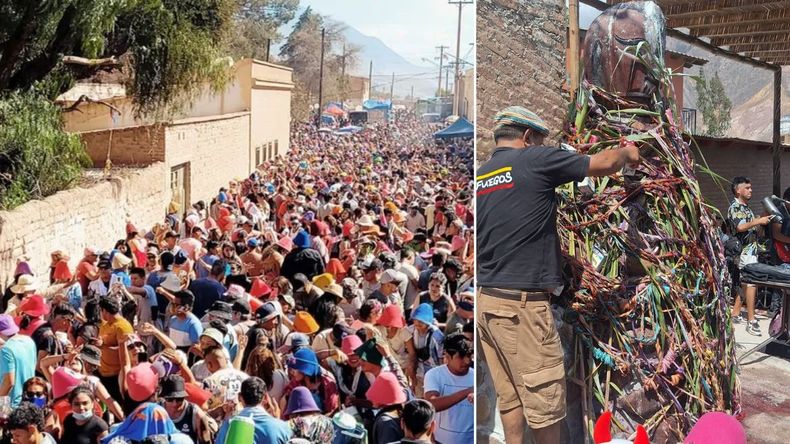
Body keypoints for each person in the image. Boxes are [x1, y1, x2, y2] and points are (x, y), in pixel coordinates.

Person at [476, 106, 640, 444]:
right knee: (546, 405)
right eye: (539, 140)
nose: (540, 146)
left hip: (488, 302)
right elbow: (604, 163)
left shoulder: (483, 174)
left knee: (510, 396)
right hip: (522, 309)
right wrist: (628, 153)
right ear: (527, 137)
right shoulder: (533, 159)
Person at [728, 176, 772, 336]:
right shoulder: (735, 207)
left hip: (751, 250)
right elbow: (740, 227)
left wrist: (762, 218)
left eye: (750, 187)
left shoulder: (746, 208)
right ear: (737, 190)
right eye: (747, 188)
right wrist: (758, 221)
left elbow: (753, 228)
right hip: (744, 251)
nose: (750, 190)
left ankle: (735, 313)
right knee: (751, 283)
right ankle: (751, 321)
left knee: (746, 283)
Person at [423, 333, 474, 444]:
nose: (467, 361)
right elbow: (432, 405)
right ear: (447, 356)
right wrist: (468, 391)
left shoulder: (477, 376)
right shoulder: (434, 375)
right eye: (461, 357)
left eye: (469, 355)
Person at [215, 376, 292, 444]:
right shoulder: (283, 428)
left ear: (239, 397)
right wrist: (277, 421)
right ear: (265, 398)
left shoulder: (228, 425)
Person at [160, 374, 217, 444]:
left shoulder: (196, 414)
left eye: (179, 399)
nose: (175, 403)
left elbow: (206, 442)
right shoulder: (155, 411)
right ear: (163, 397)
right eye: (170, 399)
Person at [97, 295, 134, 402]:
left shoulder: (123, 327)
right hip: (103, 372)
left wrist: (103, 346)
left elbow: (129, 351)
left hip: (116, 376)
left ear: (105, 311)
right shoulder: (105, 324)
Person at [0, 313, 37, 407]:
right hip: (31, 399)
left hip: (13, 405)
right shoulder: (29, 340)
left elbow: (9, 382)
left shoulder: (6, 350)